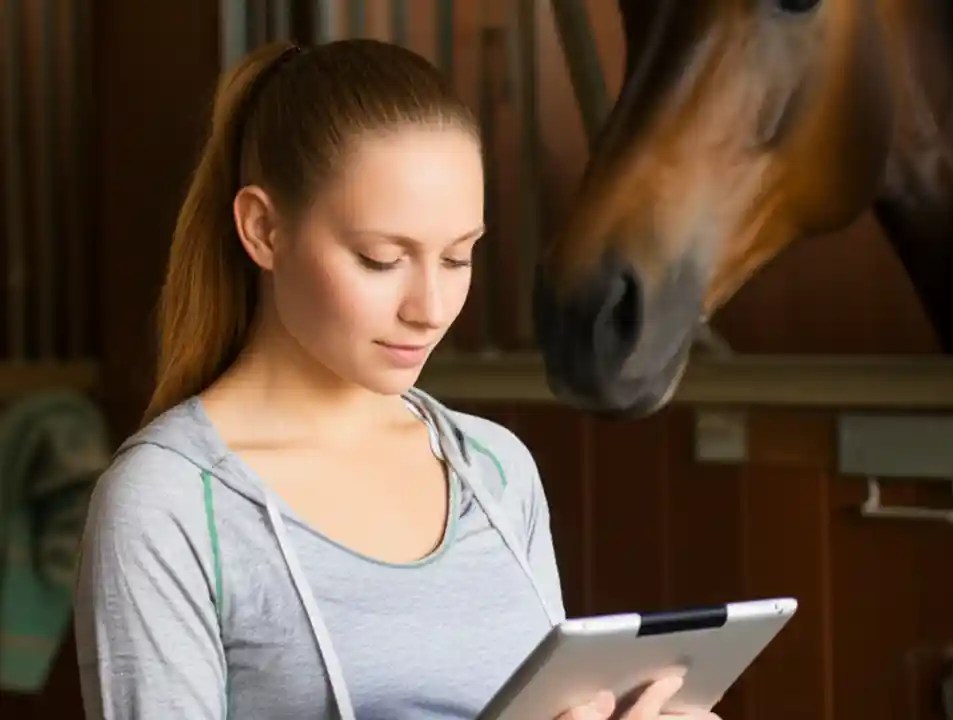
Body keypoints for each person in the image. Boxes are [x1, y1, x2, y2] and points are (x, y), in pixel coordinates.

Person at [72, 39, 719, 720]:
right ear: (263, 229)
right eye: (382, 259)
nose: (429, 309)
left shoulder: (495, 472)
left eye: (458, 257)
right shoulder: (169, 503)